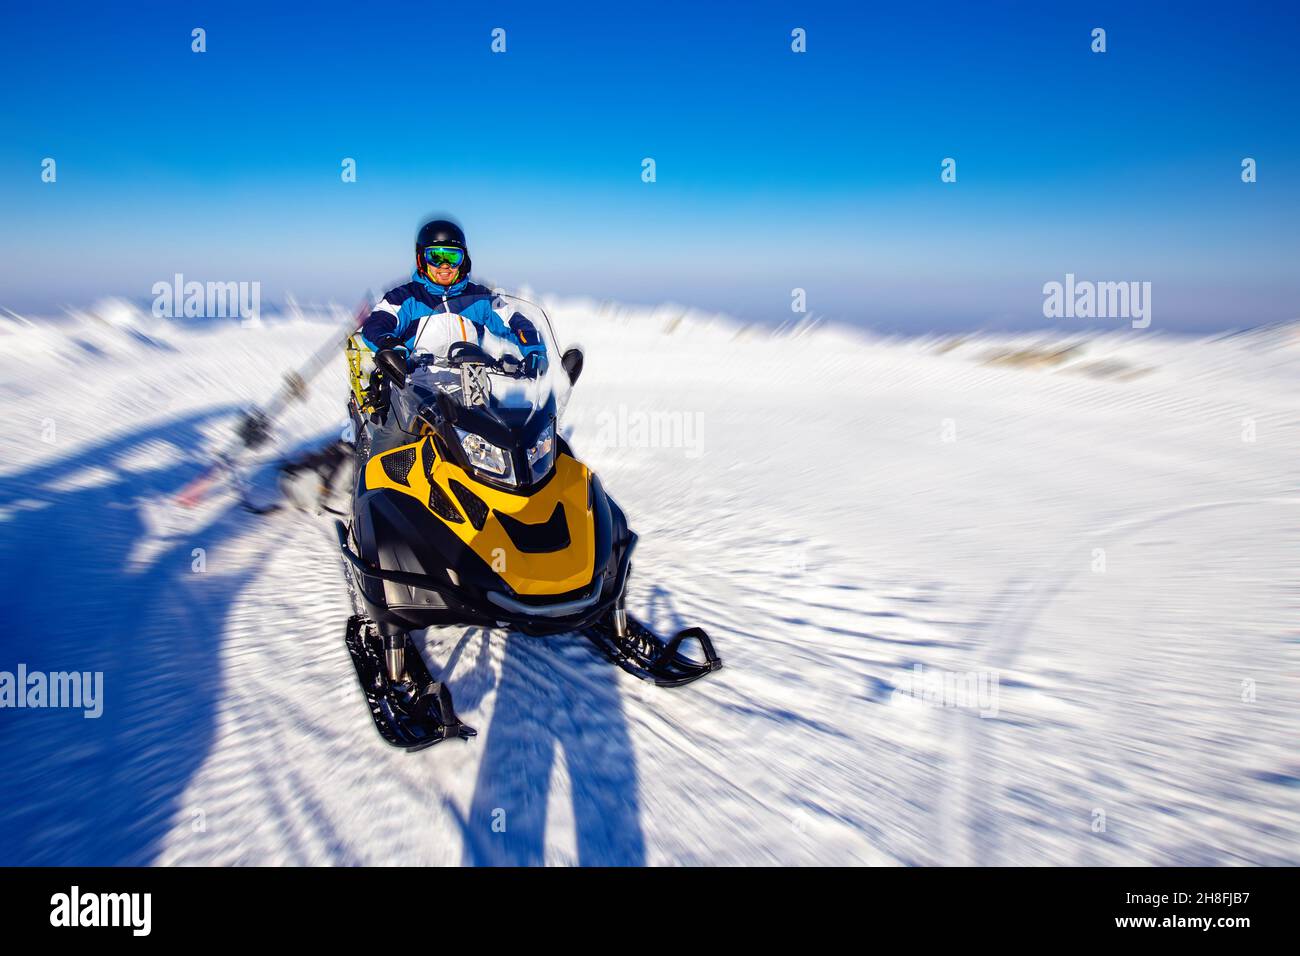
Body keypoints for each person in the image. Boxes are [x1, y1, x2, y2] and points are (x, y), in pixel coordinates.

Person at [361, 218, 546, 373]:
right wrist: (392, 347)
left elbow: (513, 320)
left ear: (463, 260)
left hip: (471, 388)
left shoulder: (480, 298)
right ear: (421, 260)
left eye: (452, 257)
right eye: (435, 256)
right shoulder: (403, 298)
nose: (445, 266)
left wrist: (534, 350)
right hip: (415, 390)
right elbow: (375, 326)